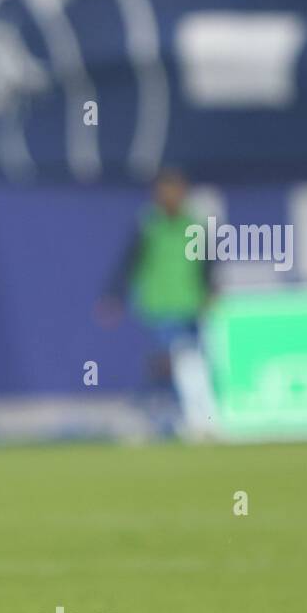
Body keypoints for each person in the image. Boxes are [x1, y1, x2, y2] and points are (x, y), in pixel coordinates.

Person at [97, 168, 210, 435]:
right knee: (181, 358)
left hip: (188, 302)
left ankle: (185, 417)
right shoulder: (148, 225)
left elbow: (206, 265)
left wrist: (208, 292)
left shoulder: (193, 226)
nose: (170, 196)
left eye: (175, 190)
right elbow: (129, 262)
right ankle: (193, 419)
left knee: (181, 360)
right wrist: (114, 295)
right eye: (165, 190)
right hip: (159, 304)